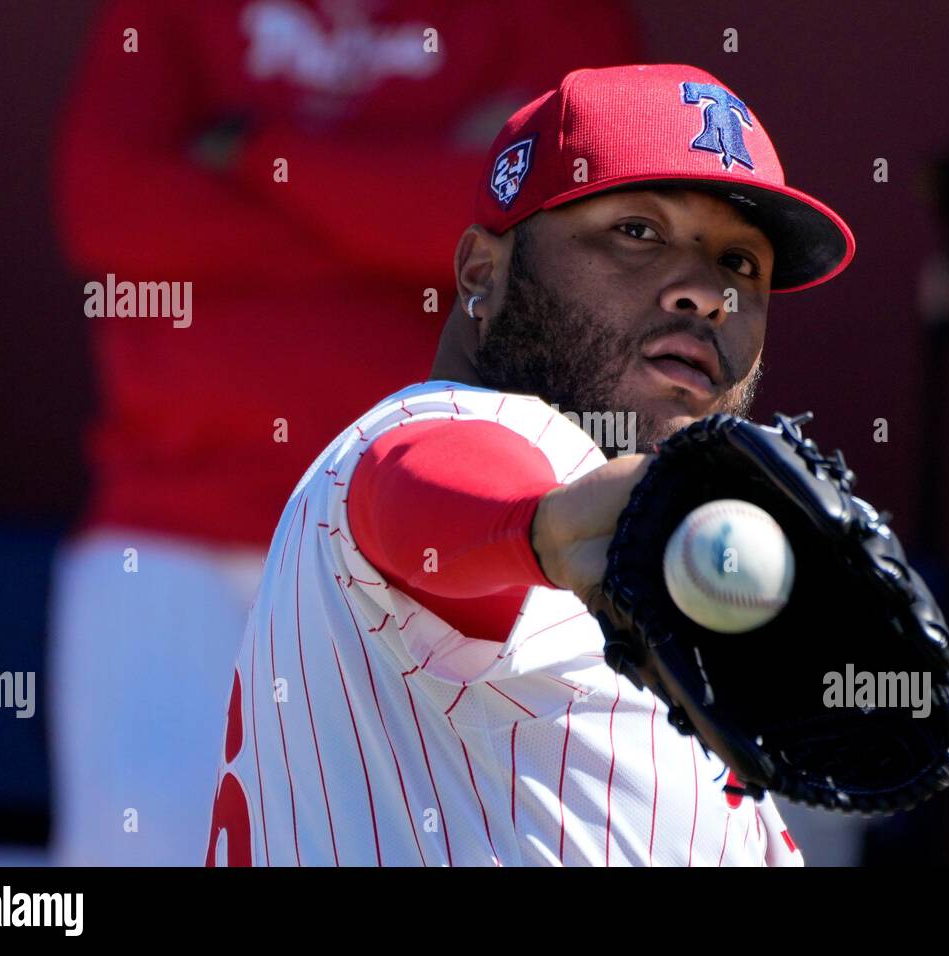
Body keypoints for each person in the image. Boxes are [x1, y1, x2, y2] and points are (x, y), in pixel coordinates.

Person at [205, 63, 854, 866]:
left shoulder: (666, 565)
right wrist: (544, 527)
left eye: (740, 264)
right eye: (639, 233)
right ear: (485, 272)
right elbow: (415, 486)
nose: (705, 293)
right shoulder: (451, 428)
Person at [48, 0, 640, 865]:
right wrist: (407, 215)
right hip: (172, 530)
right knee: (137, 845)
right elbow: (105, 206)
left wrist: (255, 153)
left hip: (452, 544)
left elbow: (568, 240)